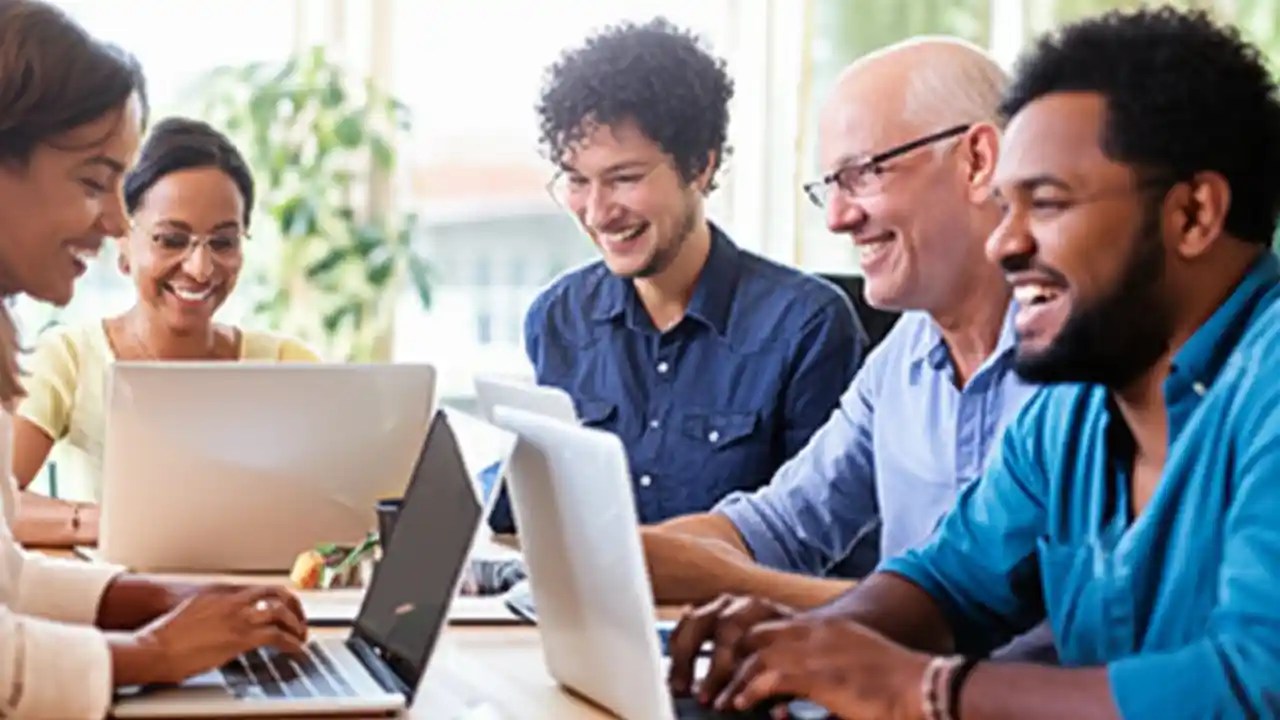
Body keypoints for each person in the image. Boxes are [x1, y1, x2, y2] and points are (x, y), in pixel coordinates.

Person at [666, 8, 1280, 719]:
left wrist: (922, 688)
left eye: (1046, 204)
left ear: (1194, 215)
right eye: (1006, 205)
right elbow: (951, 583)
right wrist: (803, 640)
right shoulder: (1073, 410)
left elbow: (1255, 684)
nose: (1004, 244)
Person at [639, 37, 1038, 609]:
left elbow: (1006, 630)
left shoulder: (1088, 365)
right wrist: (608, 558)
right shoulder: (903, 356)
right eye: (830, 186)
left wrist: (734, 583)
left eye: (863, 174)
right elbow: (779, 526)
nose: (837, 219)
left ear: (977, 162)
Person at [0, 3, 306, 717]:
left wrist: (181, 601)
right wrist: (160, 651)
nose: (113, 221)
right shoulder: (70, 354)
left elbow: (7, 581)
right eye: (90, 181)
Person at [488, 19, 866, 531]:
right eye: (577, 180)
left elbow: (830, 541)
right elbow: (529, 513)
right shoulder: (558, 319)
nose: (597, 212)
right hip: (588, 610)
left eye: (624, 179)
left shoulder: (806, 327)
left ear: (700, 167)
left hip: (743, 612)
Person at [12, 117, 318, 547]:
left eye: (224, 242)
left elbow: (344, 505)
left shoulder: (289, 365)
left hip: (261, 596)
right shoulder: (70, 358)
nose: (200, 268)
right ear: (122, 241)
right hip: (117, 599)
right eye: (172, 240)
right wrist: (112, 523)